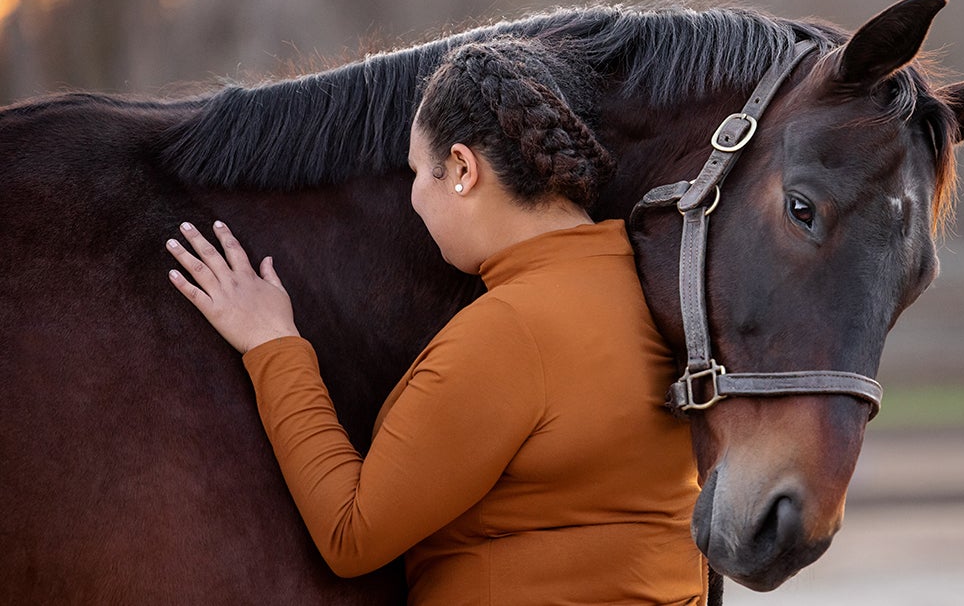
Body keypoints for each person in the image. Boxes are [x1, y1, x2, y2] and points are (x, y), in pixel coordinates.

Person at [164, 38, 707, 605]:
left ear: (463, 169)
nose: (415, 198)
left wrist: (272, 344)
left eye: (419, 171)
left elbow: (352, 534)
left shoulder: (507, 334)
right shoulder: (651, 287)